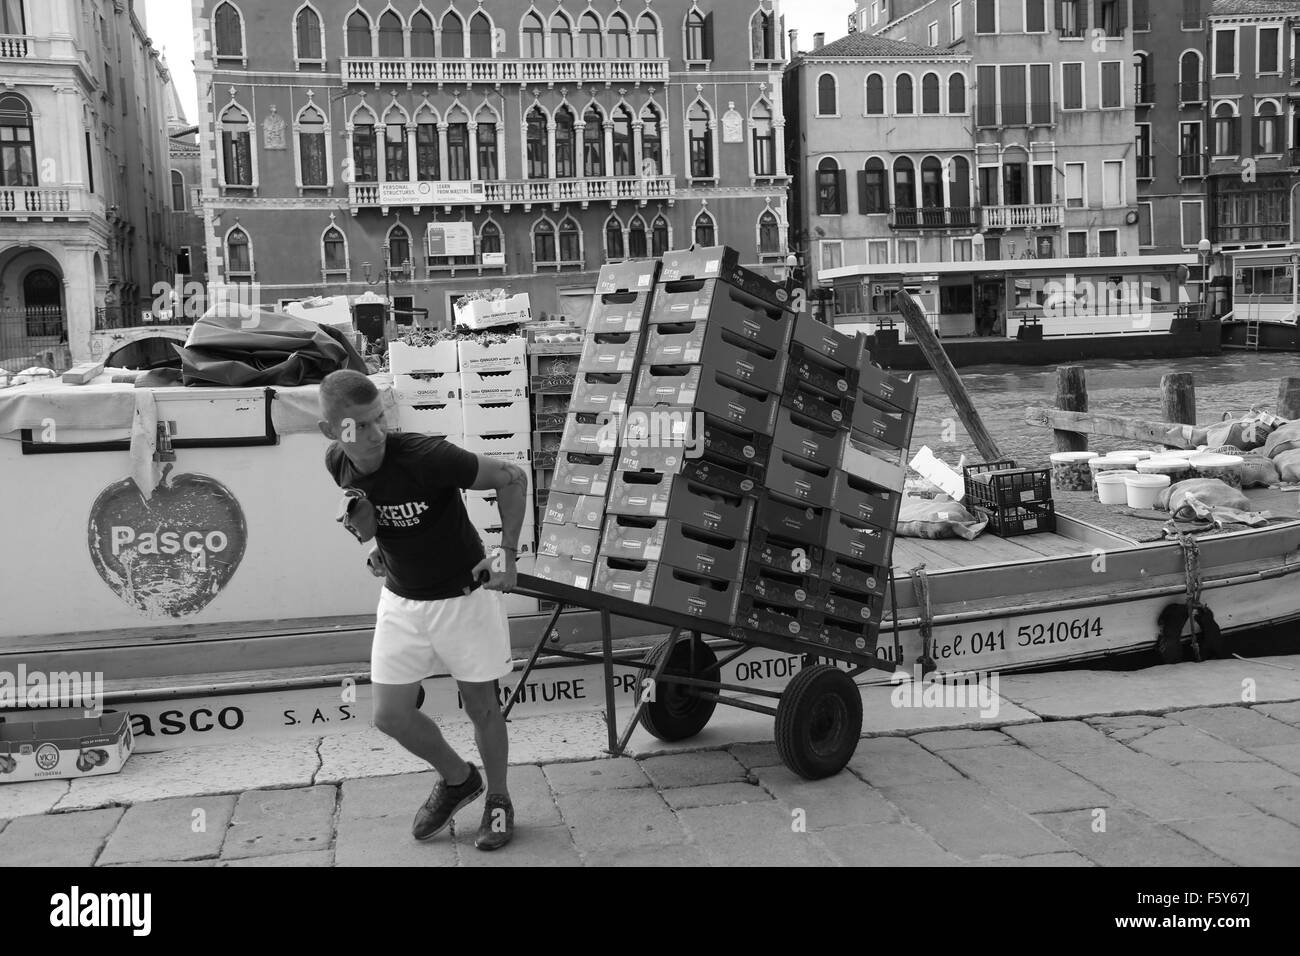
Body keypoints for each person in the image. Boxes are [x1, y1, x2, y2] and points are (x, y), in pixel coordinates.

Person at [318, 369, 529, 851]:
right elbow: (378, 507)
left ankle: (498, 799)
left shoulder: (427, 455)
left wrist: (508, 555)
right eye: (358, 426)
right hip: (401, 601)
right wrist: (380, 549)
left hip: (463, 597)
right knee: (390, 717)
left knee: (482, 707)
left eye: (378, 420)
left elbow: (511, 478)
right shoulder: (337, 462)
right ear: (331, 432)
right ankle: (458, 779)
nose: (373, 436)